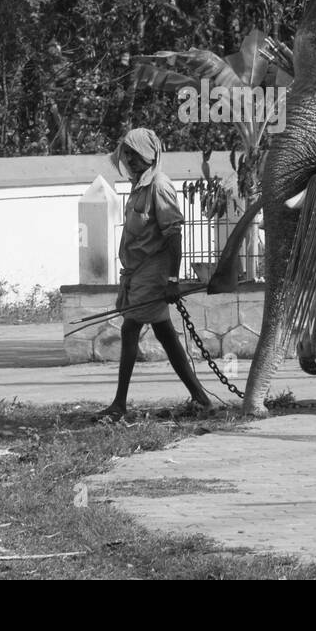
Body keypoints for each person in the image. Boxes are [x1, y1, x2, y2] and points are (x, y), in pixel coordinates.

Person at [94, 128, 211, 423]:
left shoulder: (160, 186)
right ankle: (201, 398)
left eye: (136, 154)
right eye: (127, 155)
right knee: (165, 334)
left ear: (150, 154)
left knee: (130, 328)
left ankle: (119, 404)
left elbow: (174, 236)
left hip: (153, 271)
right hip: (136, 272)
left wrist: (172, 280)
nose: (131, 160)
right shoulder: (139, 186)